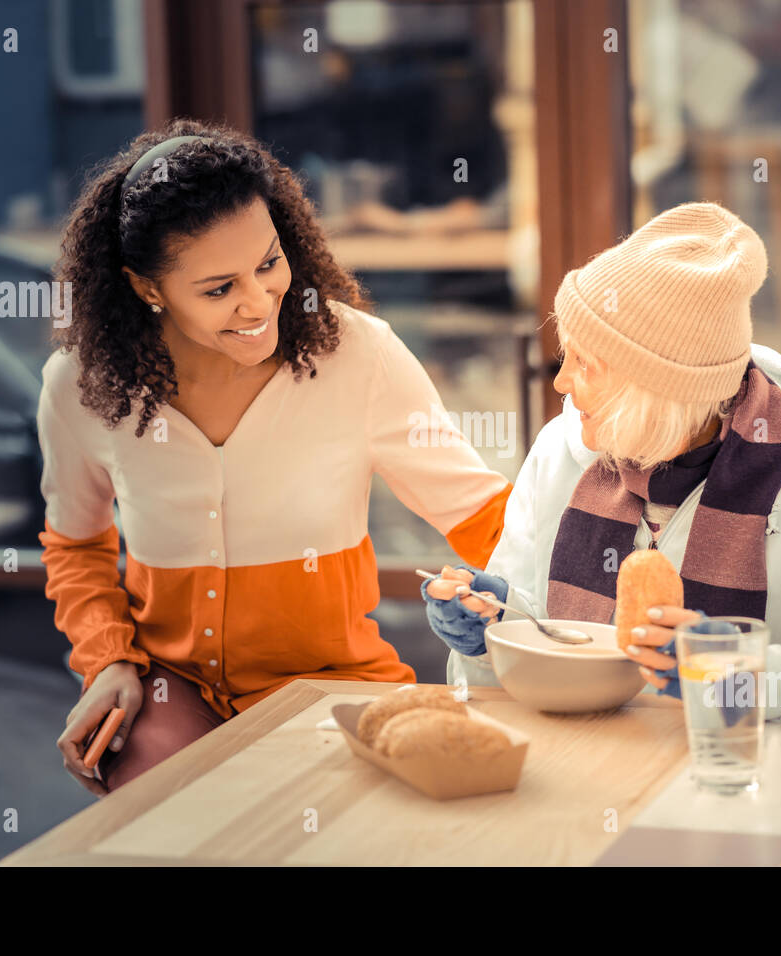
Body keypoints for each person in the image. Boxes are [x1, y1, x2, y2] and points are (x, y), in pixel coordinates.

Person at [41, 120, 512, 795]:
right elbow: (76, 547)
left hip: (333, 685)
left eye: (268, 263)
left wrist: (584, 592)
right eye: (217, 288)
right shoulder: (79, 387)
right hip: (172, 690)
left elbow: (481, 513)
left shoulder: (359, 356)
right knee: (151, 795)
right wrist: (107, 661)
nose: (259, 302)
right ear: (148, 289)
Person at [423, 202, 781, 722]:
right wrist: (490, 635)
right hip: (580, 789)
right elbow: (522, 654)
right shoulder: (561, 450)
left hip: (759, 798)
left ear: (657, 389)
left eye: (585, 362)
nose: (561, 381)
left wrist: (748, 676)